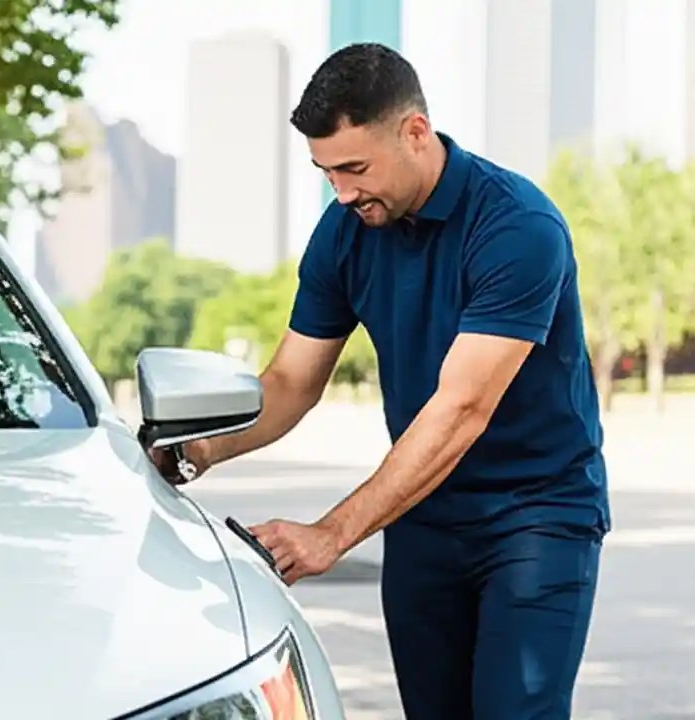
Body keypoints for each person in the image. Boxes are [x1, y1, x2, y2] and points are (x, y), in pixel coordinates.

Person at [148, 42, 609, 720]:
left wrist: (331, 533)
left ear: (415, 132)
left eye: (355, 168)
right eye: (326, 173)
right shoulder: (344, 233)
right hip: (422, 519)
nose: (343, 192)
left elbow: (462, 409)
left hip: (534, 517)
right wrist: (191, 451)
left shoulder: (517, 227)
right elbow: (290, 383)